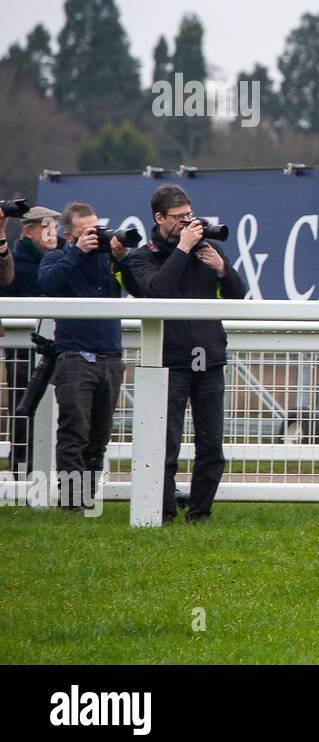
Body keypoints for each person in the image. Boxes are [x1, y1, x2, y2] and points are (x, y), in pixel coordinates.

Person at [128, 185, 246, 523]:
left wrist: (223, 268)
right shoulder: (143, 256)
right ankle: (162, 512)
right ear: (159, 218)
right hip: (170, 360)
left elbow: (238, 296)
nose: (186, 223)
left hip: (209, 357)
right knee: (166, 445)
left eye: (188, 217)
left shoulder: (208, 250)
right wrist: (182, 248)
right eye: (178, 218)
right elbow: (156, 293)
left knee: (211, 447)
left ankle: (200, 513)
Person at [37, 202, 131, 509]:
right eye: (86, 232)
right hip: (75, 356)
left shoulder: (109, 260)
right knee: (74, 431)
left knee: (99, 436)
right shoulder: (58, 256)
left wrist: (122, 259)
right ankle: (72, 502)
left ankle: (88, 499)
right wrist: (78, 251)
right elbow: (48, 285)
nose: (95, 237)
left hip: (111, 356)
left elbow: (140, 289)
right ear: (69, 234)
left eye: (98, 229)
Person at [0, 206, 60, 475]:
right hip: (22, 349)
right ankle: (22, 469)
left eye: (56, 227)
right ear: (28, 230)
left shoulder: (59, 259)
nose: (53, 232)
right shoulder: (17, 260)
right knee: (23, 409)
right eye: (48, 226)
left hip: (54, 346)